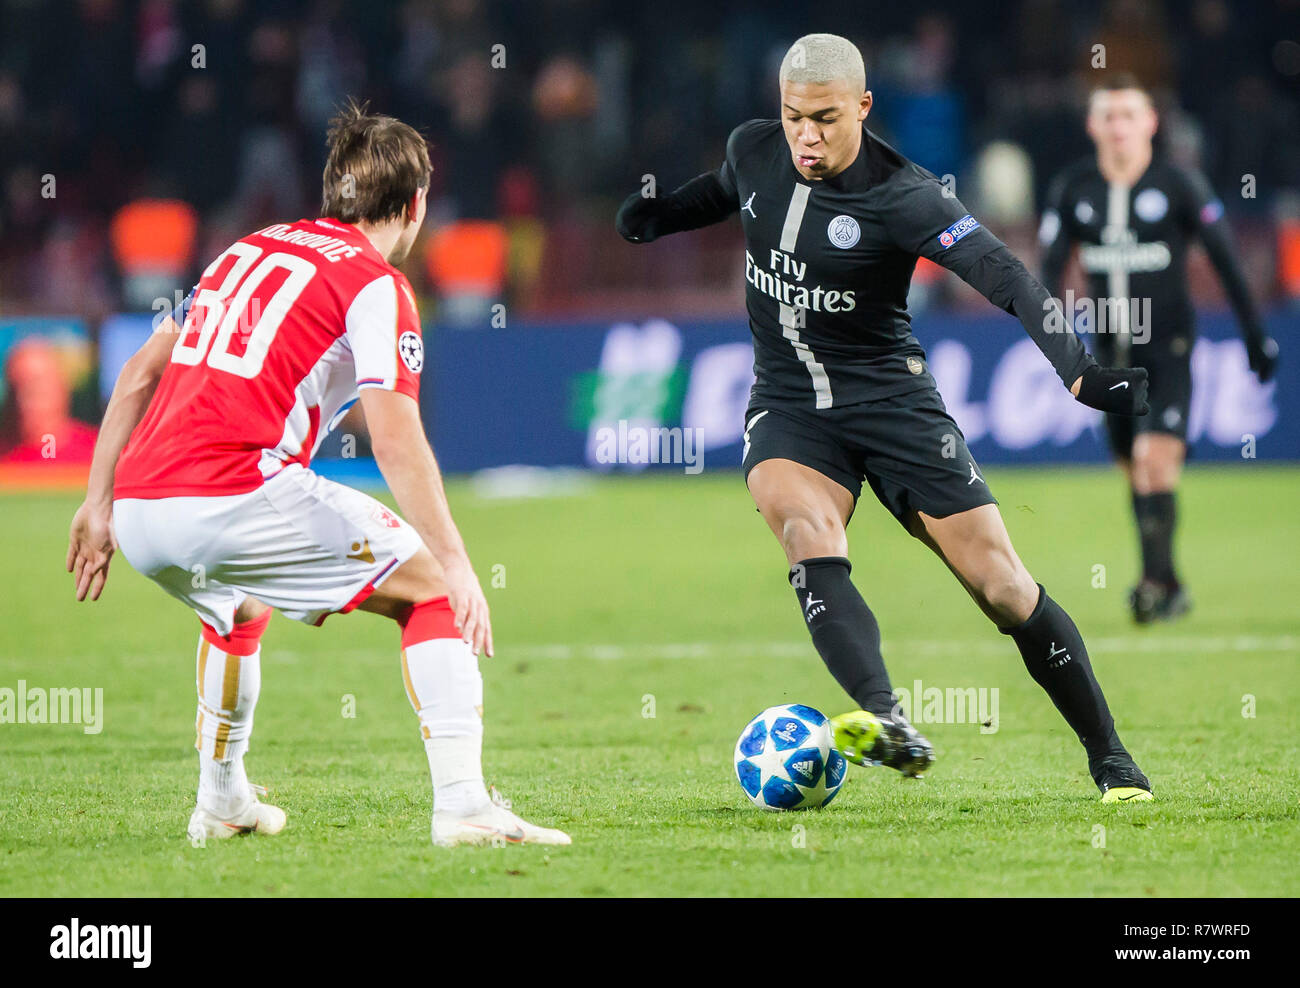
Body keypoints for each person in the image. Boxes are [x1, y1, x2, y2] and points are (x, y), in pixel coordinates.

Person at [617, 34, 1154, 801]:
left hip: (895, 404)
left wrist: (1079, 371)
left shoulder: (907, 195)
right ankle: (883, 718)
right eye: (794, 116)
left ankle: (1111, 759)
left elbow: (1001, 274)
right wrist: (660, 216)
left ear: (863, 108)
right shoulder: (756, 147)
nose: (806, 136)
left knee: (1003, 587)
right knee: (807, 535)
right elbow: (727, 186)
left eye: (826, 119)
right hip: (790, 406)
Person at [66, 100, 570, 847]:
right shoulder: (375, 282)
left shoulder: (245, 250)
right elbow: (394, 434)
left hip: (142, 510)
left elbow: (141, 373)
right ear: (417, 203)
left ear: (334, 188)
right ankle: (464, 806)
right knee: (430, 588)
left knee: (236, 610)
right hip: (230, 492)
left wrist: (96, 503)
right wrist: (459, 562)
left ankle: (223, 800)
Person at [1040, 74, 1279, 623]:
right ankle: (1168, 580)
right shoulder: (1073, 188)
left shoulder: (1179, 184)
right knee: (1133, 469)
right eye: (1109, 115)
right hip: (1106, 356)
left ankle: (1152, 587)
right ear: (1092, 125)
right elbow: (1048, 273)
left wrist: (1254, 336)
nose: (1119, 126)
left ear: (1150, 122)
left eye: (1130, 115)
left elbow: (1226, 263)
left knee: (1153, 463)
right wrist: (1050, 337)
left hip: (1166, 350)